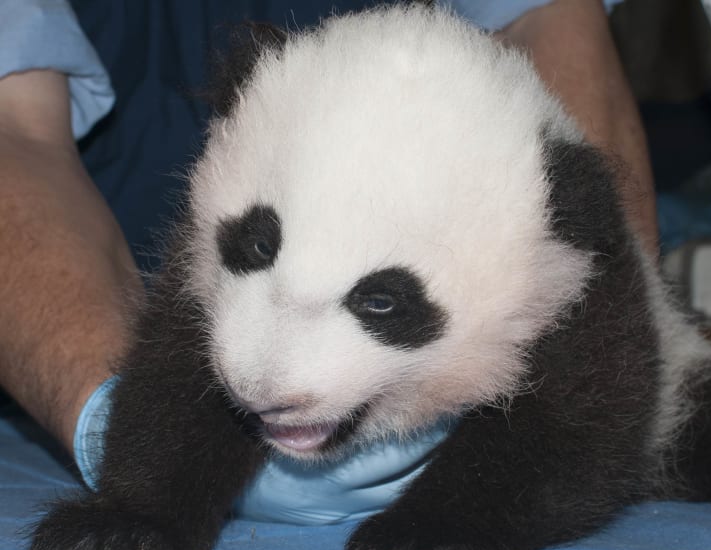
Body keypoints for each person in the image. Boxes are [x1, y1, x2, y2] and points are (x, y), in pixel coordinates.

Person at [0, 0, 656, 521]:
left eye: (380, 301)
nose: (266, 379)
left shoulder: (553, 229)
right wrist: (116, 436)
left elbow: (550, 22)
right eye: (255, 247)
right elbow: (12, 131)